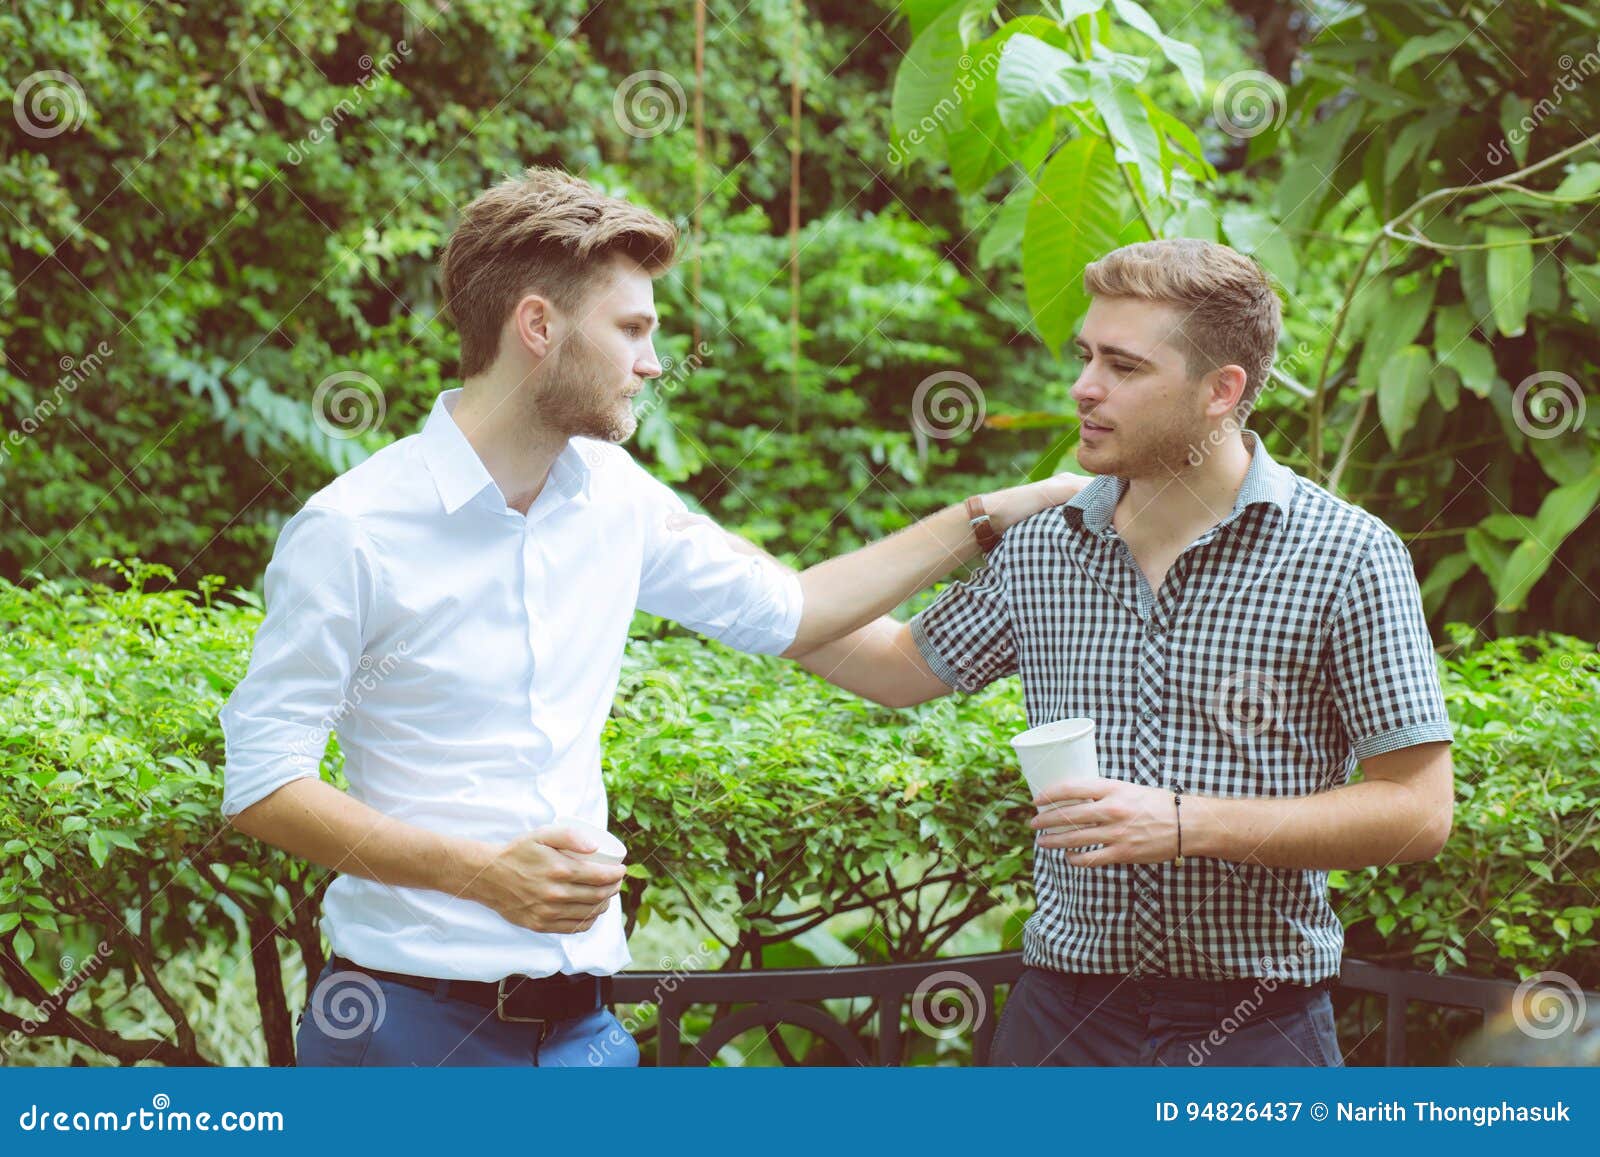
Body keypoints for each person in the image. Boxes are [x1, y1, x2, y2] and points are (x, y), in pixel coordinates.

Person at [219, 166, 1084, 1067]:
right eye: (632, 329)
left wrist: (989, 516)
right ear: (538, 326)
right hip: (406, 1035)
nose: (654, 362)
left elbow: (794, 611)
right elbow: (263, 781)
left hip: (587, 1035)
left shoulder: (614, 495)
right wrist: (481, 875)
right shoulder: (353, 529)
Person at [800, 239, 1455, 1066]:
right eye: (1086, 356)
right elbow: (884, 664)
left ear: (1221, 391)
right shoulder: (1045, 544)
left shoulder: (1348, 554)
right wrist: (975, 520)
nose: (1084, 386)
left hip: (1260, 1027)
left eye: (1123, 365)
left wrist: (1185, 823)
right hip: (1061, 1023)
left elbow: (1418, 810)